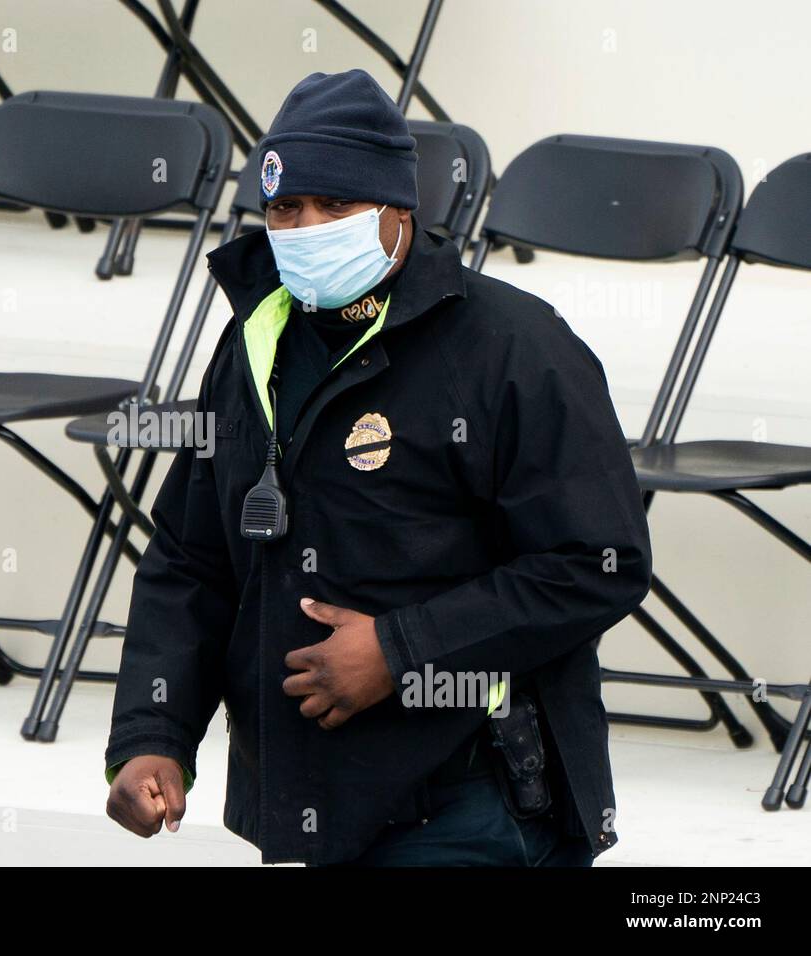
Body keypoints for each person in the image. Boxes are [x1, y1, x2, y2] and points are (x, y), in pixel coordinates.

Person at [104, 70, 652, 866]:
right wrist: (153, 734)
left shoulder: (514, 349)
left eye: (336, 205)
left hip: (475, 804)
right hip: (304, 803)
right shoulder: (253, 345)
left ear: (400, 212)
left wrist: (403, 652)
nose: (306, 227)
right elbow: (191, 559)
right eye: (285, 208)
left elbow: (598, 563)